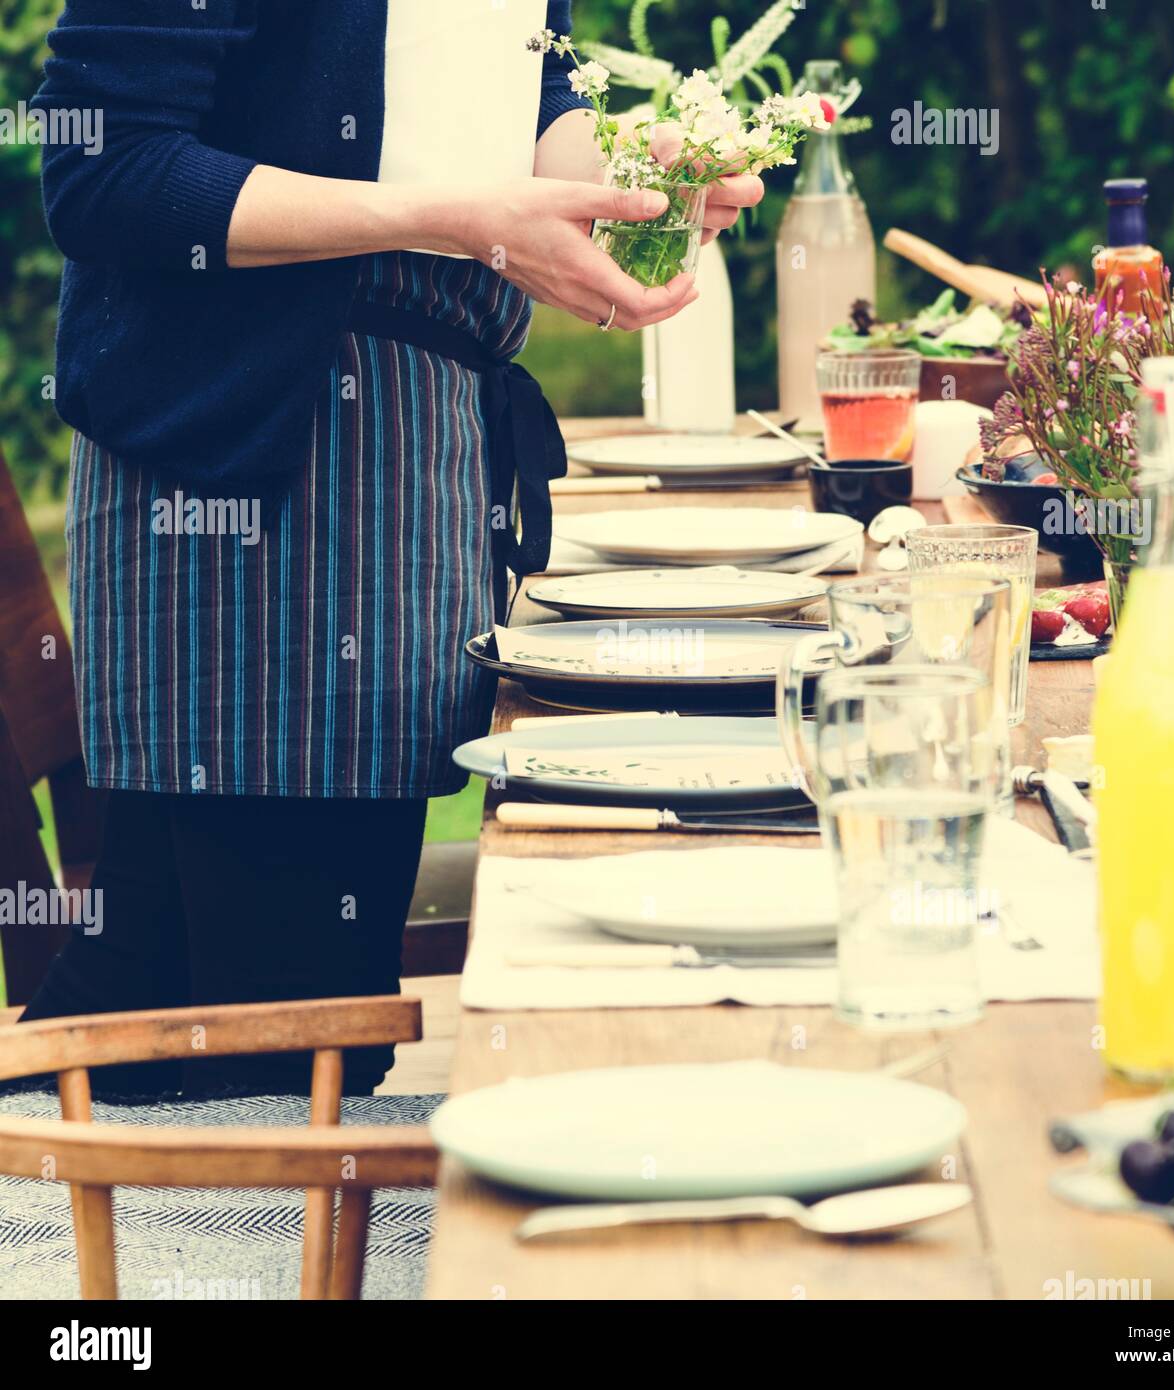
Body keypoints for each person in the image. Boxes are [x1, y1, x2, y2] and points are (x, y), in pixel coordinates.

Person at [22, 0, 764, 1096]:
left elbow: (519, 94)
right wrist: (458, 216)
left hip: (413, 442)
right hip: (255, 461)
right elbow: (105, 167)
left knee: (261, 1000)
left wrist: (618, 178)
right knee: (279, 1030)